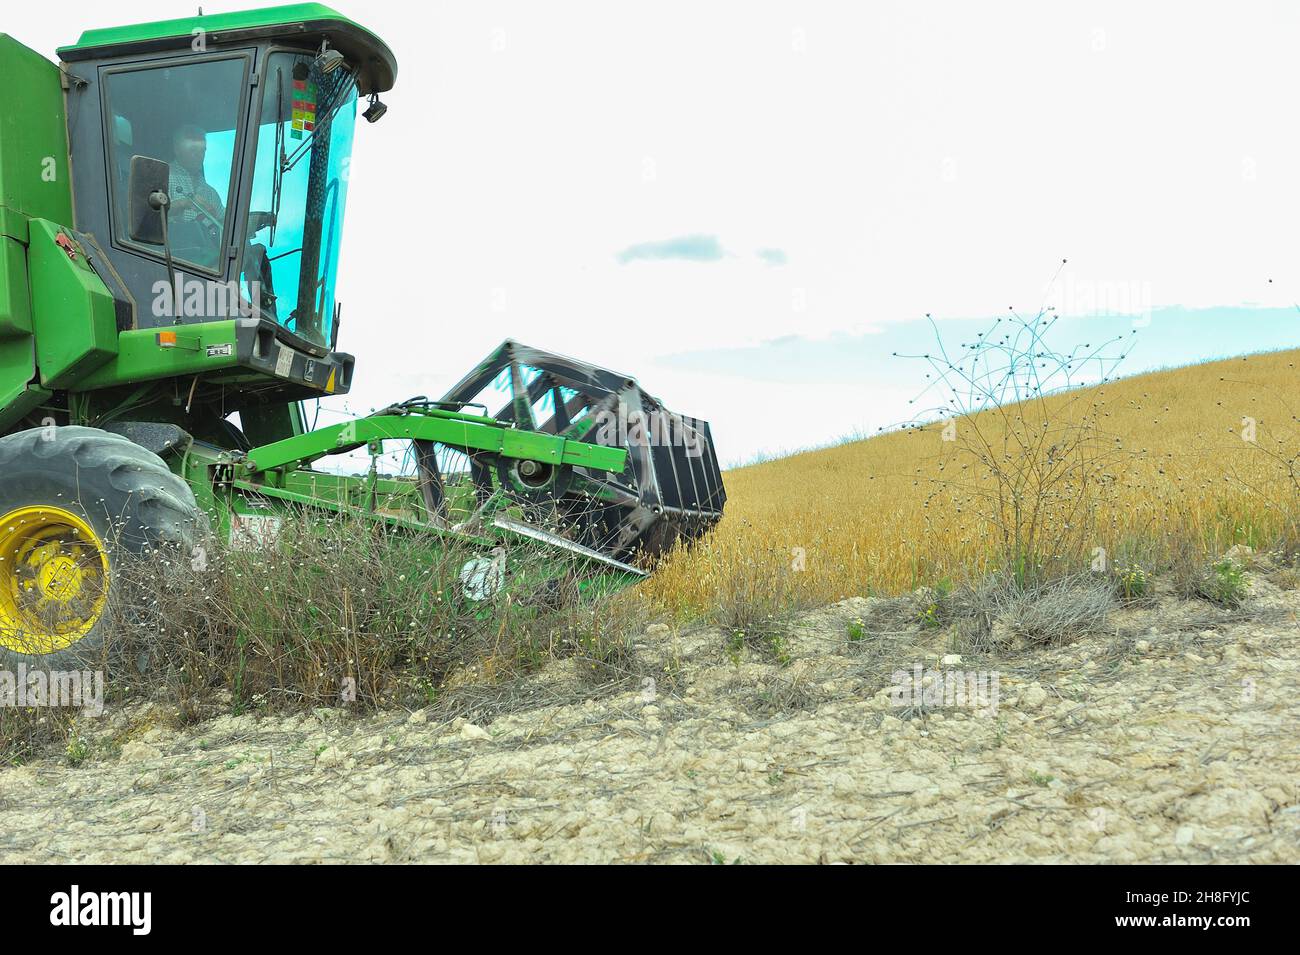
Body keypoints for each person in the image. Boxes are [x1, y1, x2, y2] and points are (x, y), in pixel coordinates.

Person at [168, 123, 224, 267]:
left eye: (202, 151)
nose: (199, 156)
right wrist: (184, 203)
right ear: (177, 150)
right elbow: (149, 213)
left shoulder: (210, 193)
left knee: (254, 252)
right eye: (193, 150)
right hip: (171, 258)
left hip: (206, 261)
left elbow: (223, 227)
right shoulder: (163, 175)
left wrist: (246, 226)